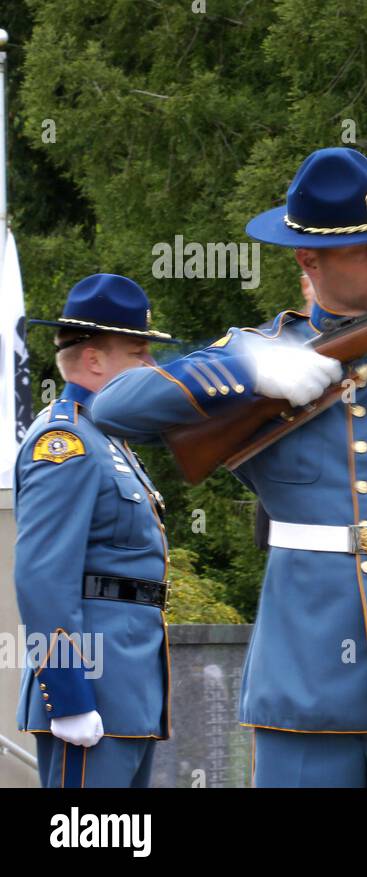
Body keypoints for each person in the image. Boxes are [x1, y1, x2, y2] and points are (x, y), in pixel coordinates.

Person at [94, 147, 367, 787]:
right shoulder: (265, 355)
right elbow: (114, 406)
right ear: (307, 258)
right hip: (305, 669)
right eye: (361, 249)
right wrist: (249, 372)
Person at [15, 273, 179, 787]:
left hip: (129, 691)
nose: (152, 366)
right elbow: (44, 579)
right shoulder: (67, 443)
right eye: (139, 354)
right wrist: (68, 696)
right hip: (93, 691)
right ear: (93, 361)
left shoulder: (110, 440)